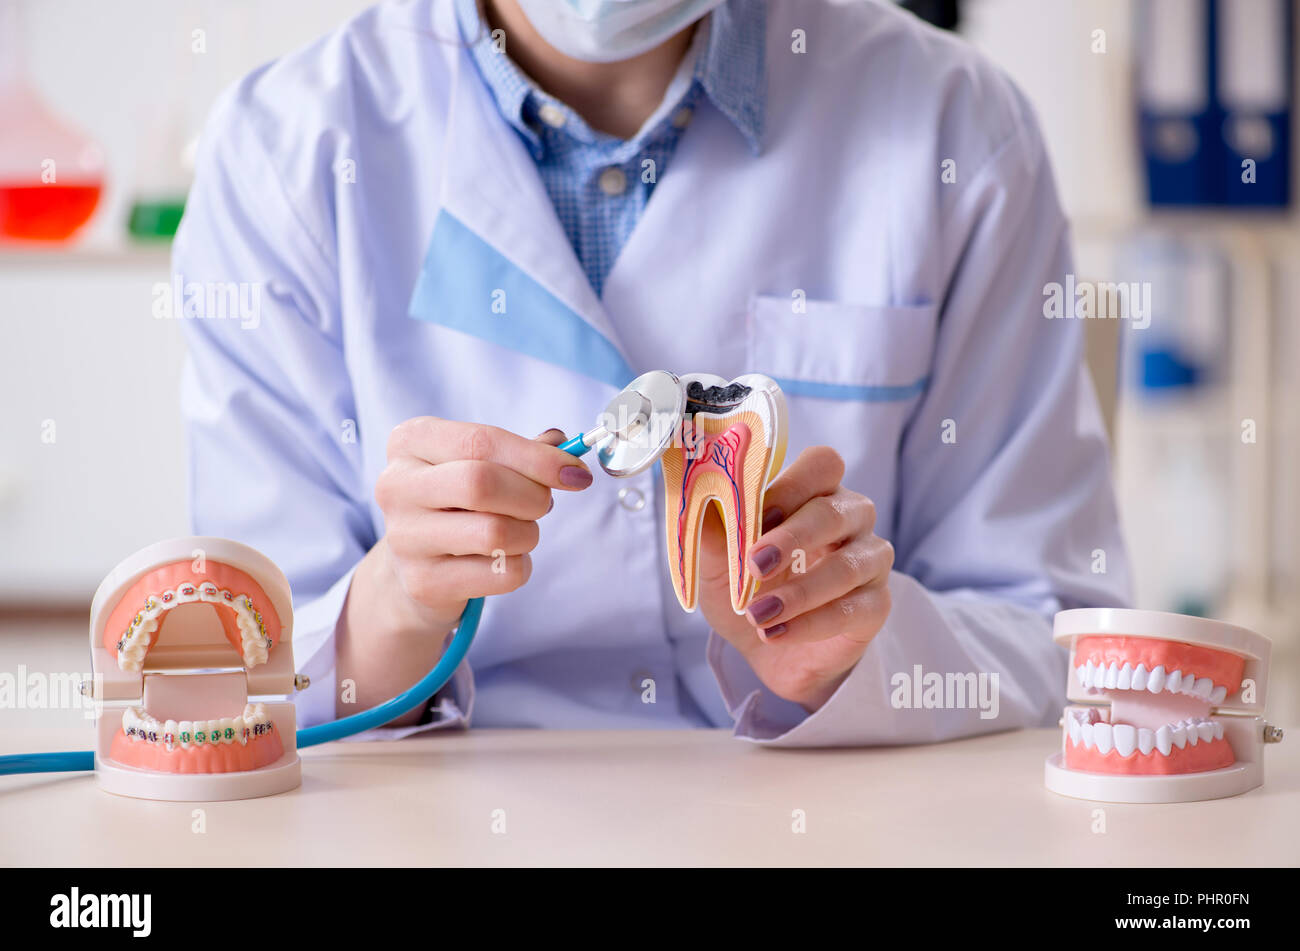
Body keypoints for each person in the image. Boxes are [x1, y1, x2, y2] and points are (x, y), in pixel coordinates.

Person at [174, 0, 1131, 746]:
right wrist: (391, 609)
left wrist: (853, 662)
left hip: (837, 824)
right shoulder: (282, 150)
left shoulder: (958, 132)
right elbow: (237, 666)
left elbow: (1052, 629)